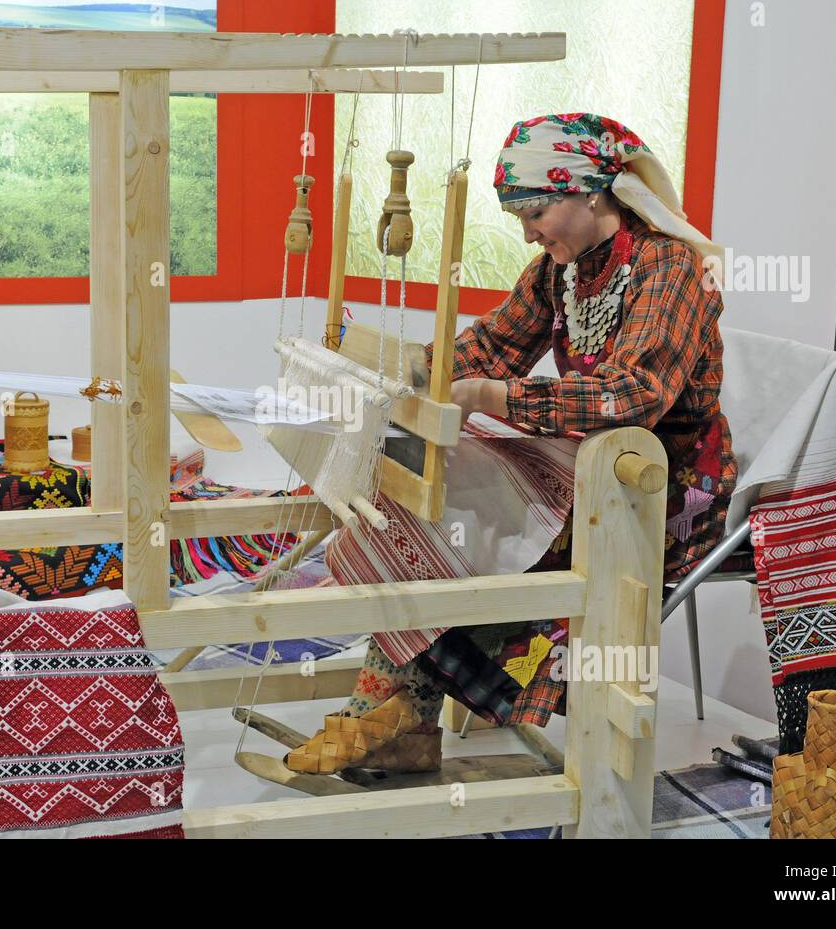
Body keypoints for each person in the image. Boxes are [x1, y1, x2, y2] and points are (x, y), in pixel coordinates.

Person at [287, 113, 737, 775]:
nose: (527, 231)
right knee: (422, 500)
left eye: (534, 213)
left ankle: (395, 709)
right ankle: (400, 711)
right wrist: (407, 371)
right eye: (519, 216)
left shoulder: (672, 268)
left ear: (590, 192)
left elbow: (635, 393)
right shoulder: (561, 272)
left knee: (462, 513)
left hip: (664, 484)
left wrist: (492, 398)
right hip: (591, 459)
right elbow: (492, 349)